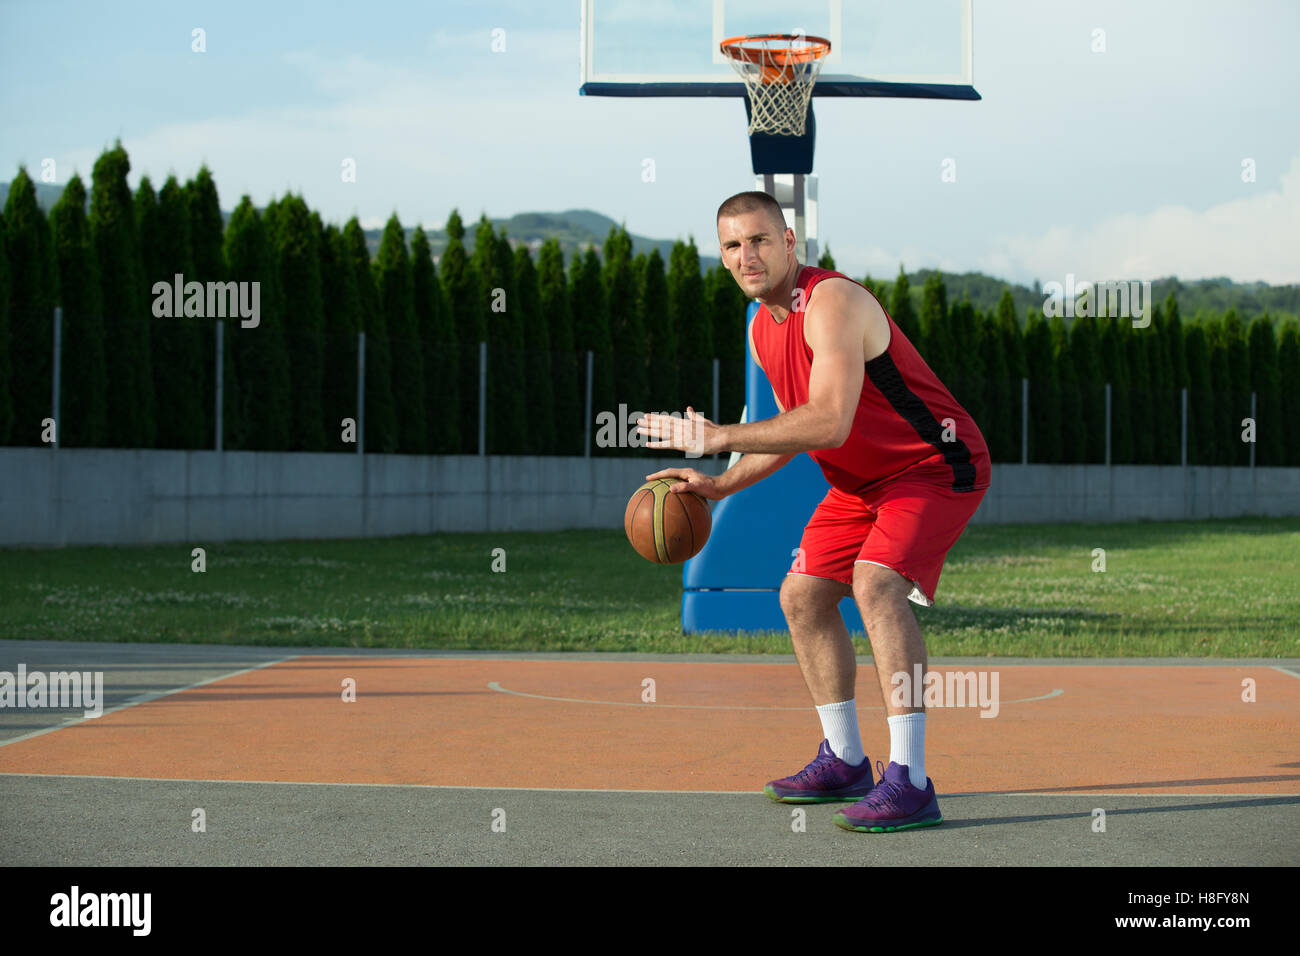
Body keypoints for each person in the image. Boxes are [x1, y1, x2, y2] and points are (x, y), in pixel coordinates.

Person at [636, 191, 990, 832]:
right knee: (800, 597)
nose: (748, 255)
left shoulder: (832, 302)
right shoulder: (761, 326)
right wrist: (718, 485)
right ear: (722, 257)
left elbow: (827, 421)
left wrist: (720, 435)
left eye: (760, 240)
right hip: (860, 484)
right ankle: (846, 761)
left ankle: (909, 780)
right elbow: (791, 430)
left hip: (935, 466)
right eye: (733, 245)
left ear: (790, 241)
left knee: (876, 583)